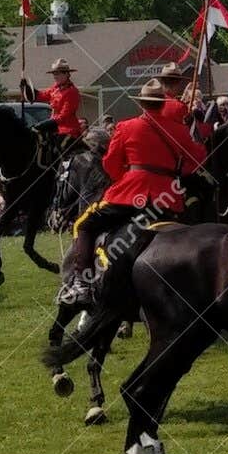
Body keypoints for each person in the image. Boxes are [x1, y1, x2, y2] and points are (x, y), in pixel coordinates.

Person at [57, 79, 206, 306]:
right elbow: (197, 159)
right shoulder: (179, 129)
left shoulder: (126, 127)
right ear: (161, 103)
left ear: (142, 104)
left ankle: (81, 284)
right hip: (167, 198)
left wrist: (124, 179)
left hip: (131, 193)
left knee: (83, 225)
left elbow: (110, 164)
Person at [21, 57, 85, 152]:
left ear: (66, 74)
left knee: (55, 150)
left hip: (68, 130)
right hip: (54, 129)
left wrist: (47, 123)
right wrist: (27, 88)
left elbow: (64, 116)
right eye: (54, 74)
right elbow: (41, 96)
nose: (55, 76)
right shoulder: (55, 88)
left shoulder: (72, 92)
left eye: (57, 74)